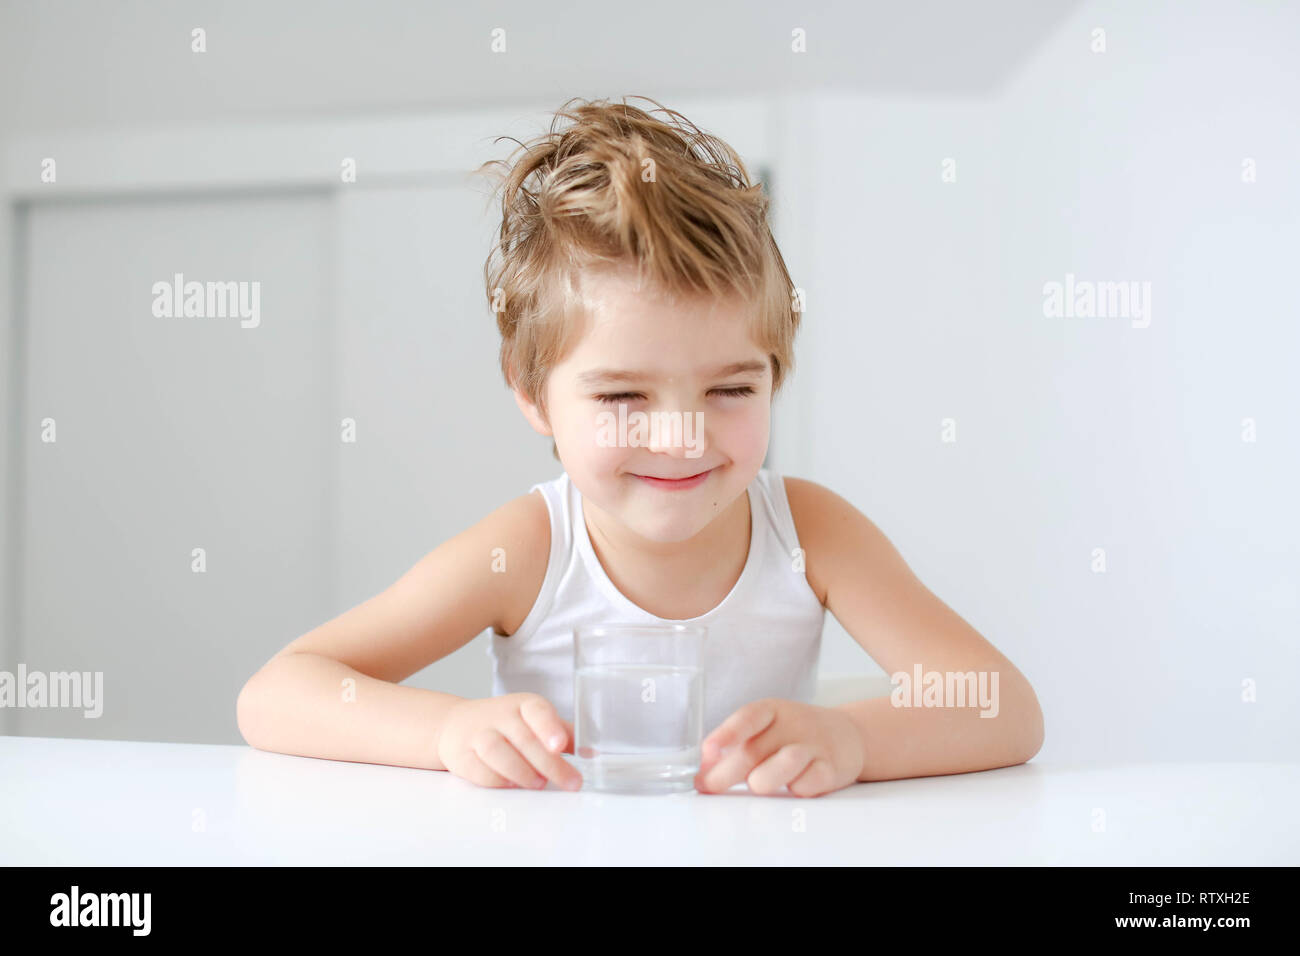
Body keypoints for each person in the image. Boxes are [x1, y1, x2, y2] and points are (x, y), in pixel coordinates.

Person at [237, 95, 1044, 798]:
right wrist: (448, 732)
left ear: (775, 376)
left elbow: (1001, 706)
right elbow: (279, 692)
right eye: (624, 395)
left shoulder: (811, 532)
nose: (681, 438)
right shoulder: (529, 550)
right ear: (531, 391)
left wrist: (854, 740)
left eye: (731, 390)